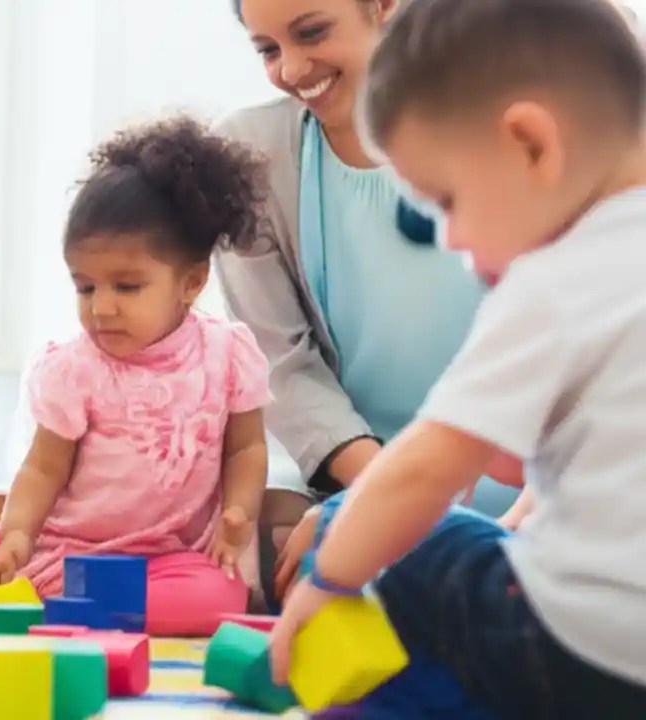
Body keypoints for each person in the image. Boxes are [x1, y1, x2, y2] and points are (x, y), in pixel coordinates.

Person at [270, 1, 646, 717]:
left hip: (578, 649)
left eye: (446, 200)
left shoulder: (555, 282)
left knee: (422, 541)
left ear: (531, 145)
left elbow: (427, 466)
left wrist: (327, 583)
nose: (449, 240)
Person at [218, 0, 523, 603]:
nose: (292, 69)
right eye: (268, 49)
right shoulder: (250, 156)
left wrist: (422, 509)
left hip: (523, 488)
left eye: (312, 32)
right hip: (358, 478)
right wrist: (382, 495)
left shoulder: (509, 126)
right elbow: (279, 362)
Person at [0, 117, 271, 636]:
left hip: (171, 559)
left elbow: (245, 448)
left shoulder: (226, 353)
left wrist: (239, 511)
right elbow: (43, 470)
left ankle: (81, 615)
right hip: (74, 555)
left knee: (217, 599)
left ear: (192, 282)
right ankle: (81, 606)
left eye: (126, 287)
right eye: (85, 288)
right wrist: (17, 536)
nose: (101, 308)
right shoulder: (73, 368)